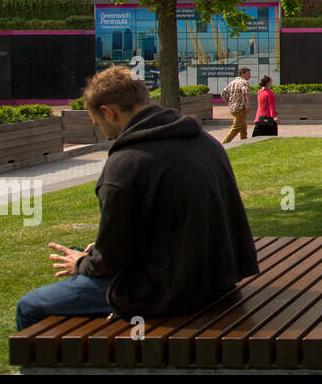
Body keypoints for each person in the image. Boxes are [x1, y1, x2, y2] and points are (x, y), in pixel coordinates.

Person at [15, 66, 259, 330]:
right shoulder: (203, 141)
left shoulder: (126, 163)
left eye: (99, 122)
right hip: (216, 277)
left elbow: (109, 261)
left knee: (29, 306)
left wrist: (82, 263)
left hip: (168, 291)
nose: (104, 132)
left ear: (109, 111)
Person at [222, 66, 251, 144]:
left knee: (243, 126)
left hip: (233, 108)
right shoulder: (244, 82)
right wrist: (246, 105)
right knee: (236, 127)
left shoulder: (232, 82)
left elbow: (224, 93)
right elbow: (245, 92)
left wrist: (229, 103)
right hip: (240, 107)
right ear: (242, 74)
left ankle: (244, 141)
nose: (250, 76)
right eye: (248, 74)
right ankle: (224, 144)